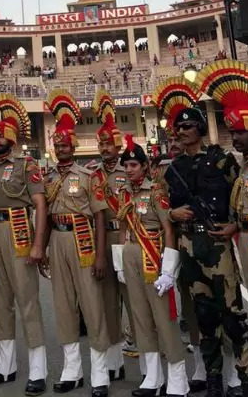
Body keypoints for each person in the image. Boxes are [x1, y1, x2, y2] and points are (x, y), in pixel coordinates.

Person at [164, 103, 248, 397]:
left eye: (188, 126)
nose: (182, 132)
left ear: (201, 129)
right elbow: (162, 206)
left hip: (217, 245)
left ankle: (247, 381)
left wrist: (236, 225)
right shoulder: (174, 169)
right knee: (204, 317)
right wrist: (171, 214)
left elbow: (243, 197)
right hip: (189, 245)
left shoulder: (222, 161)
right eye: (178, 128)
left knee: (232, 316)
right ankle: (213, 379)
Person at [198, 60, 248, 372]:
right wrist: (233, 226)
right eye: (232, 132)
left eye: (241, 132)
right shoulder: (243, 165)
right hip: (245, 240)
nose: (236, 138)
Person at [0, 93, 49, 394]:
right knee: (0, 300)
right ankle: (5, 365)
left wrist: (38, 245)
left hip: (19, 228)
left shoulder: (26, 165)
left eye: (0, 135)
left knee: (27, 299)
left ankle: (38, 369)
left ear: (11, 137)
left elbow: (40, 204)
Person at [42, 88, 110, 394]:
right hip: (57, 240)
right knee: (63, 304)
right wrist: (43, 249)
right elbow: (45, 217)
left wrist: (100, 255)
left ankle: (100, 372)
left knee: (92, 305)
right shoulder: (48, 179)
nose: (61, 149)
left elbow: (99, 216)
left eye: (65, 145)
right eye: (57, 145)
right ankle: (72, 370)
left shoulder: (88, 175)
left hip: (83, 240)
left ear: (73, 146)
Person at [115, 141, 187, 397]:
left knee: (164, 320)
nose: (129, 169)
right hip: (131, 256)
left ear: (145, 167)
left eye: (134, 165)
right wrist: (119, 263)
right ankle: (153, 378)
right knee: (140, 318)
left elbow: (168, 229)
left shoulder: (156, 192)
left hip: (153, 257)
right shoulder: (124, 193)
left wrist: (168, 269)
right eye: (126, 165)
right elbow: (123, 228)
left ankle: (178, 380)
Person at [92, 89, 131, 380]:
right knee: (108, 304)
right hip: (103, 240)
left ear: (118, 145)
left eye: (109, 143)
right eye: (101, 143)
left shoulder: (130, 170)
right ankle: (115, 362)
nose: (105, 148)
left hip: (128, 239)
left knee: (135, 301)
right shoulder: (92, 173)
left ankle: (152, 365)